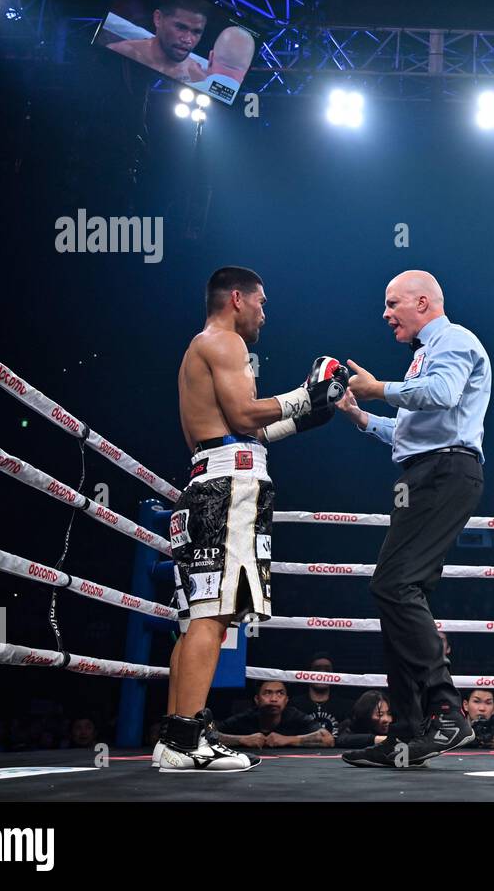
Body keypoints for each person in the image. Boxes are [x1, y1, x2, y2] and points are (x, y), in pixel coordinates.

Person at [156, 266, 346, 773]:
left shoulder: (205, 346)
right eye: (261, 301)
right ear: (236, 299)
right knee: (212, 617)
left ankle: (175, 735)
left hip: (211, 481)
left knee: (196, 617)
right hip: (229, 489)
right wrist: (304, 394)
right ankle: (187, 740)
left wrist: (308, 411)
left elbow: (243, 431)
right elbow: (244, 416)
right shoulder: (225, 342)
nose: (265, 312)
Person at [336, 270, 492, 769]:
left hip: (444, 472)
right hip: (422, 472)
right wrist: (359, 413)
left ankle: (446, 708)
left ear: (422, 302)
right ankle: (405, 734)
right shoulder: (424, 355)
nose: (385, 314)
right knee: (397, 593)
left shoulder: (454, 339)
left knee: (394, 587)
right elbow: (410, 432)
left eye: (392, 303)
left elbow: (443, 395)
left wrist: (379, 387)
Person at [107, 0, 211, 83]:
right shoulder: (120, 52)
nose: (188, 40)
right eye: (181, 27)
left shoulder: (197, 78)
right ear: (158, 19)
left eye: (196, 32)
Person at [216, 681, 333, 750]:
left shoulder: (294, 715)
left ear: (286, 700)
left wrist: (288, 740)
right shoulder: (246, 717)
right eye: (267, 693)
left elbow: (328, 739)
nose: (273, 699)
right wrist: (241, 740)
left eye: (280, 694)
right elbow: (207, 735)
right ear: (257, 699)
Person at [290, 651, 349, 733]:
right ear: (308, 673)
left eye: (327, 670)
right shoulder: (295, 705)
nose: (322, 674)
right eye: (317, 670)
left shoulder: (344, 706)